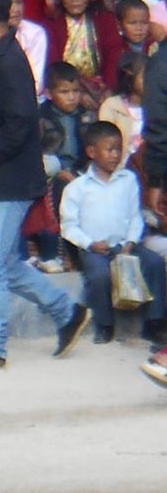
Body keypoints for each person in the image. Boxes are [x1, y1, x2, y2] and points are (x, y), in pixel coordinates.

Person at [0, 0, 87, 366]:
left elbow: (19, 125)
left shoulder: (9, 60)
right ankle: (67, 312)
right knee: (4, 263)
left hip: (6, 180)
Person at [62, 119, 165, 343]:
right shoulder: (77, 188)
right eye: (109, 150)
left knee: (154, 264)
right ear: (91, 152)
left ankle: (154, 323)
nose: (115, 155)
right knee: (99, 276)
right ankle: (104, 325)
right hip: (94, 248)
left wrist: (130, 241)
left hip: (125, 244)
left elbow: (135, 216)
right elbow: (69, 226)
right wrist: (89, 244)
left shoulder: (128, 180)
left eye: (119, 149)